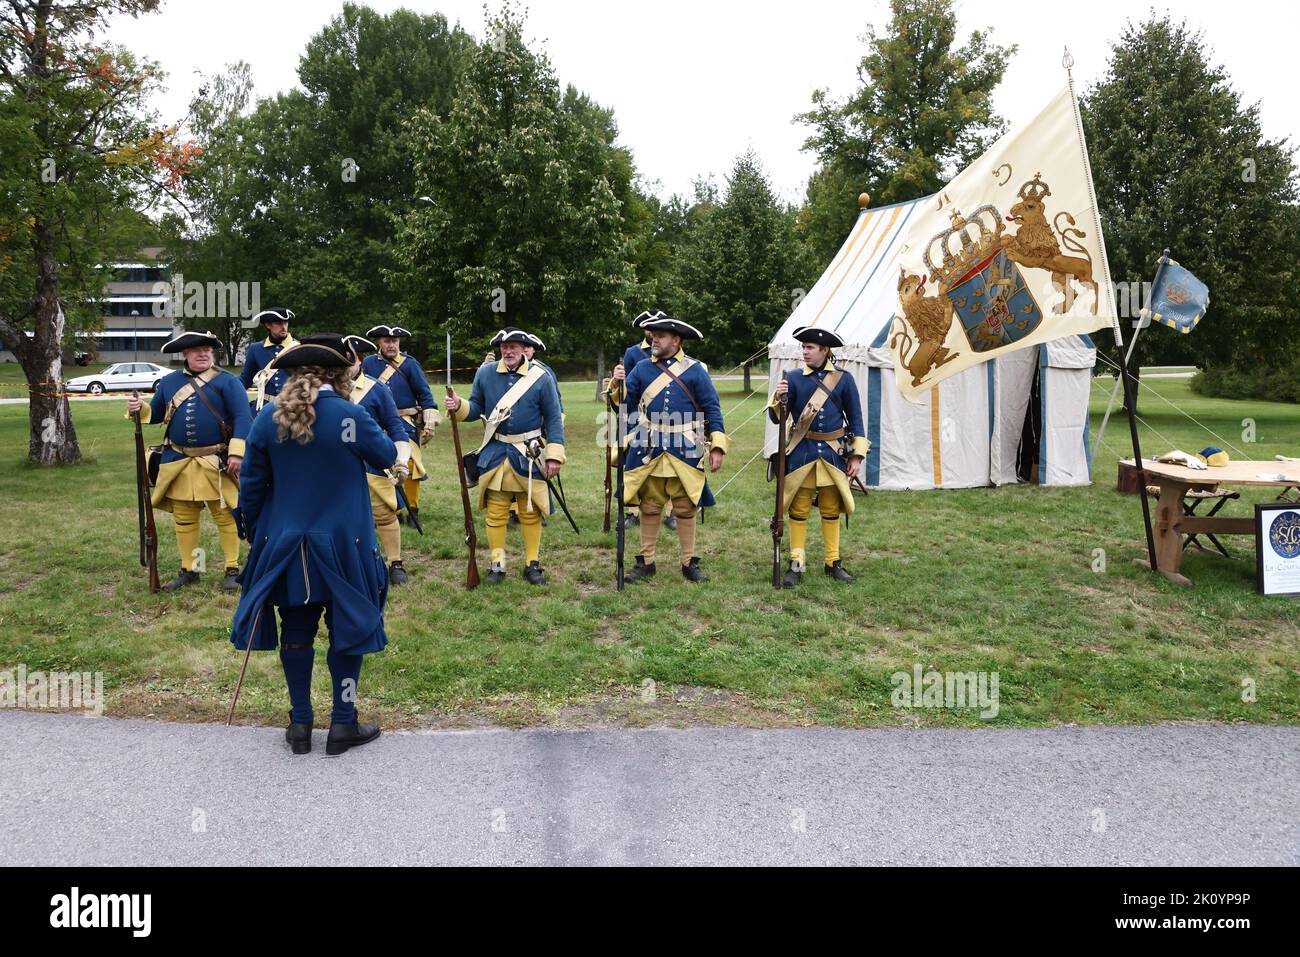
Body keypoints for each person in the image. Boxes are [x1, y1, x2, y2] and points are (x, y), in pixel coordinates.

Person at [230, 334, 398, 756]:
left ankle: (301, 723)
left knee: (297, 631)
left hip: (287, 545)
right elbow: (384, 456)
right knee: (346, 632)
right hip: (346, 544)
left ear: (290, 377)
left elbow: (250, 484)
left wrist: (250, 531)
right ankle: (343, 724)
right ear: (339, 375)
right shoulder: (348, 415)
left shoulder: (269, 419)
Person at [608, 312, 728, 583]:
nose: (654, 339)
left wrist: (717, 445)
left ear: (675, 340)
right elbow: (625, 406)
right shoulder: (641, 368)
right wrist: (617, 385)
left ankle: (688, 563)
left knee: (685, 506)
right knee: (650, 506)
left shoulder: (695, 370)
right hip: (648, 446)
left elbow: (712, 409)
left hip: (684, 446)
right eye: (653, 335)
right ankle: (646, 561)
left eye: (660, 336)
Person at [127, 330, 251, 592]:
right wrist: (140, 409)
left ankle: (231, 568)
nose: (203, 354)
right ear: (185, 354)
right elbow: (157, 413)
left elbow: (243, 418)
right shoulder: (170, 382)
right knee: (184, 518)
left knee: (226, 515)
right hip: (179, 460)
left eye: (207, 350)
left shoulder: (228, 382)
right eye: (197, 350)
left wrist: (237, 453)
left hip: (216, 461)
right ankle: (191, 569)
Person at [444, 328, 565, 584]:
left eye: (513, 346)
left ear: (524, 349)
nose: (508, 351)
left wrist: (553, 455)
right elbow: (476, 407)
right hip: (496, 452)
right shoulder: (485, 373)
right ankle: (497, 564)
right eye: (504, 347)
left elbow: (554, 418)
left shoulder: (541, 377)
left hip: (530, 452)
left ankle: (533, 564)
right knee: (496, 513)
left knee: (530, 513)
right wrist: (459, 405)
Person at [769, 326, 868, 586]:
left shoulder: (844, 379)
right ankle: (796, 563)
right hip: (802, 452)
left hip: (833, 455)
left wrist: (856, 457)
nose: (805, 352)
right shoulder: (792, 377)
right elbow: (777, 418)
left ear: (825, 350)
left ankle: (832, 562)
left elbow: (856, 419)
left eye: (810, 348)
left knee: (831, 508)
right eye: (803, 347)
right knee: (799, 509)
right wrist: (778, 399)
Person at [340, 335, 413, 584]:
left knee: (384, 514)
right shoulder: (326, 391)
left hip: (373, 463)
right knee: (344, 518)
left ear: (359, 360)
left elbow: (396, 429)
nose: (345, 366)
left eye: (349, 360)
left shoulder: (377, 389)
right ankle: (353, 562)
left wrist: (401, 459)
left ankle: (395, 562)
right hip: (338, 466)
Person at [360, 325, 438, 529]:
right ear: (379, 343)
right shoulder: (368, 363)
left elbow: (424, 393)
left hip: (405, 422)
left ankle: (413, 509)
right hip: (375, 421)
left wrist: (430, 411)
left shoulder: (410, 364)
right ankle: (390, 507)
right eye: (387, 341)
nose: (391, 345)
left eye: (395, 341)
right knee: (379, 466)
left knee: (410, 465)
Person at [240, 306, 297, 412]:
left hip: (292, 408)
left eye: (286, 322)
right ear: (268, 325)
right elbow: (245, 380)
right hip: (264, 408)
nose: (284, 326)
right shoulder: (256, 349)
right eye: (279, 323)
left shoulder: (299, 347)